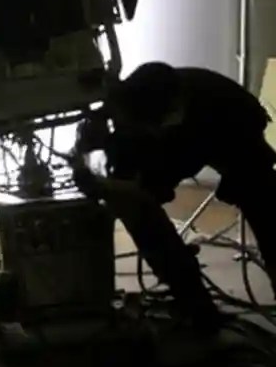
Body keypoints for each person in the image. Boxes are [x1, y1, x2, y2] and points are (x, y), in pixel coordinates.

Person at [71, 61, 276, 325]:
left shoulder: (216, 113)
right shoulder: (128, 101)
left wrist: (111, 185)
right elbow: (133, 183)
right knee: (136, 210)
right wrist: (92, 160)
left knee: (264, 206)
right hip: (167, 130)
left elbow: (144, 185)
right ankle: (194, 303)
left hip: (229, 129)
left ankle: (196, 301)